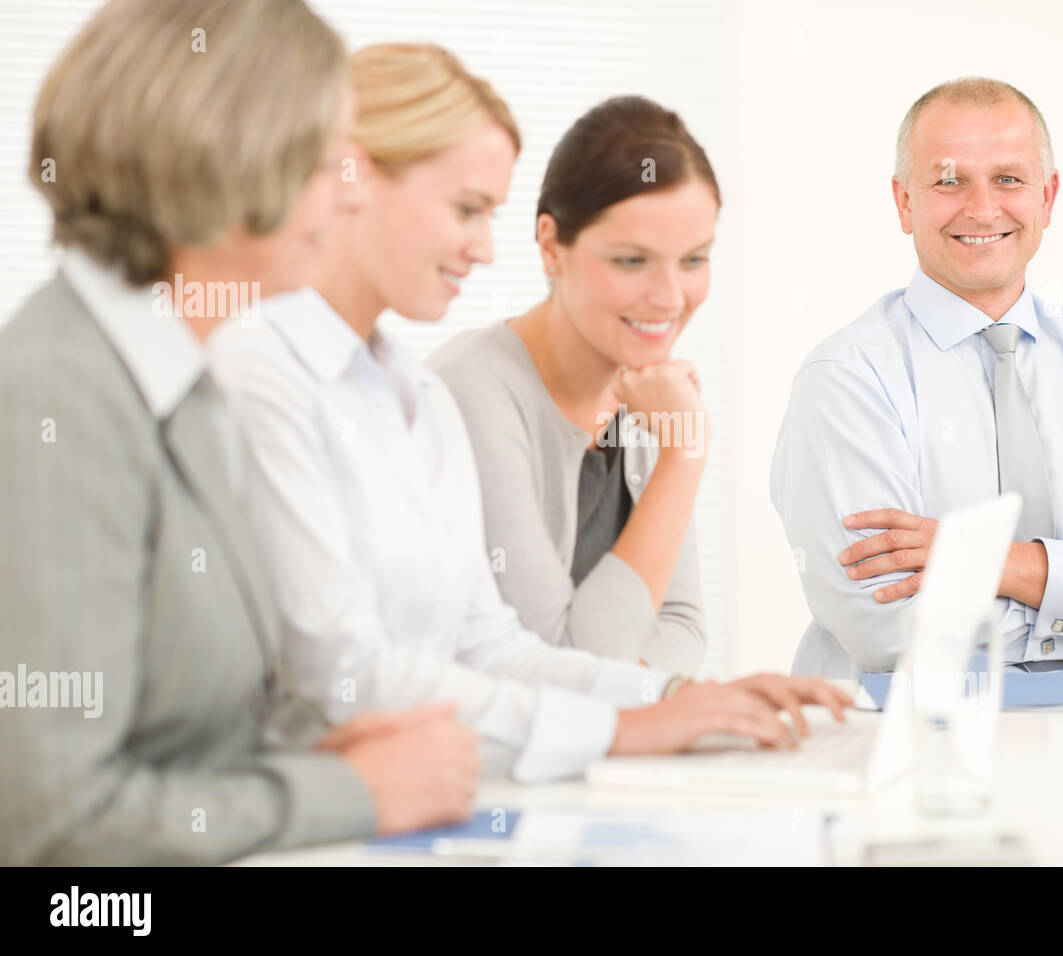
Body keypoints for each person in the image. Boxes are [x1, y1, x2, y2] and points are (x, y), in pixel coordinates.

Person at [210, 44, 852, 786]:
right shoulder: (254, 375)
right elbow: (342, 674)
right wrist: (626, 723)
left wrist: (676, 696)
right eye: (465, 209)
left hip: (423, 790)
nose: (485, 249)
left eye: (693, 258)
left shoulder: (410, 396)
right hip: (319, 809)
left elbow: (491, 647)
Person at [0, 0, 483, 866]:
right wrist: (349, 793)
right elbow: (54, 818)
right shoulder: (57, 392)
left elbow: (182, 732)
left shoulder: (188, 382)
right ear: (227, 152)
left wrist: (303, 759)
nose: (349, 190)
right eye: (327, 156)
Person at [770, 77, 1063, 682]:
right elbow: (889, 628)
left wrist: (991, 563)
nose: (982, 208)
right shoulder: (846, 380)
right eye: (948, 180)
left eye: (1008, 179)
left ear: (1047, 197)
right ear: (904, 202)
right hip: (921, 756)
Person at [431, 96, 715, 673]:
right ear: (550, 245)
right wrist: (682, 458)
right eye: (632, 261)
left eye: (693, 259)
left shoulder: (649, 393)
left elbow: (684, 624)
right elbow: (559, 658)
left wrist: (629, 693)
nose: (668, 298)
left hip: (614, 752)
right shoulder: (472, 391)